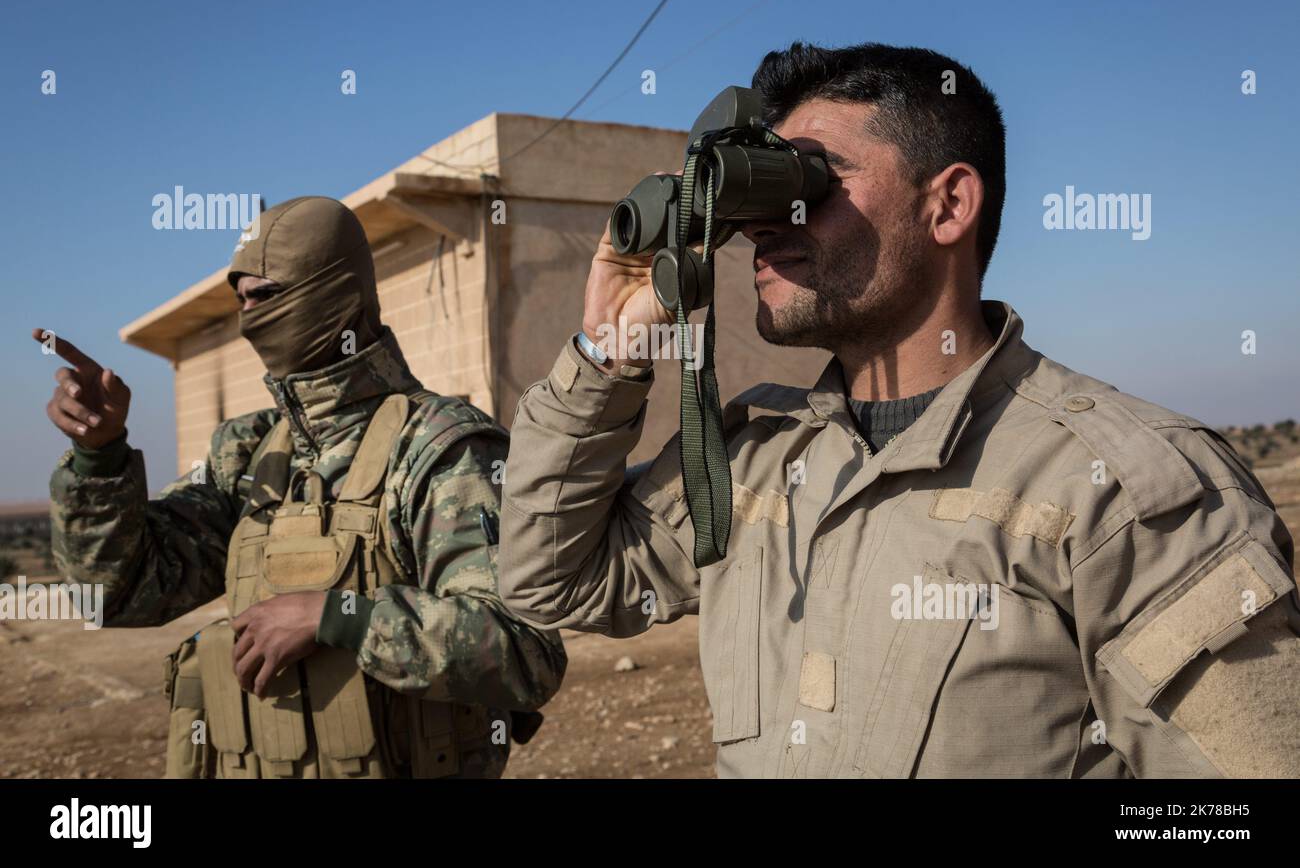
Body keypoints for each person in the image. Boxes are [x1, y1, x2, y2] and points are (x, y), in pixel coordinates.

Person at [497, 42, 1300, 778]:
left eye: (810, 180)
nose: (763, 223)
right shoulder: (752, 460)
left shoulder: (1123, 493)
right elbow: (549, 585)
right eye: (763, 186)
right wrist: (609, 353)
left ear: (948, 205)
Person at [40, 195, 566, 778]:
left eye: (267, 295)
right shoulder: (250, 454)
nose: (249, 318)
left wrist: (341, 617)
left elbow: (526, 652)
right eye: (241, 299)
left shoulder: (441, 448)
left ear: (335, 294)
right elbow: (124, 591)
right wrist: (101, 457)